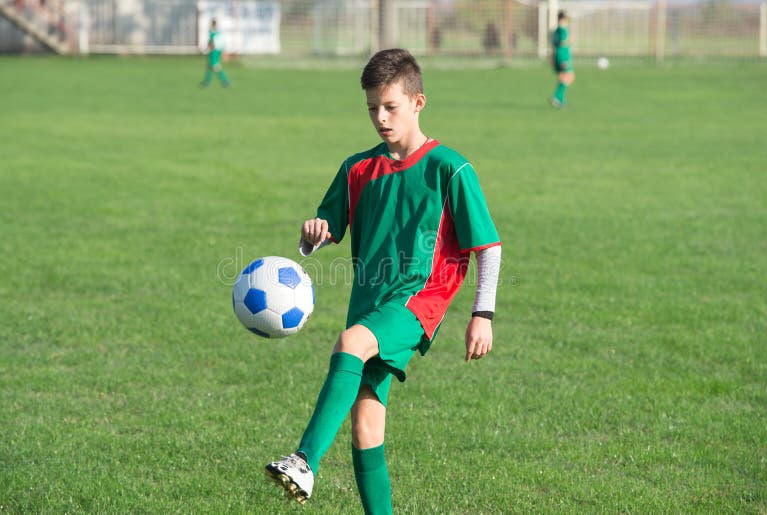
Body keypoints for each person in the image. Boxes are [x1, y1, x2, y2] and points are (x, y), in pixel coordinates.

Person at [264, 48, 502, 513]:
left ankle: (304, 459)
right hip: (369, 302)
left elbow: (488, 247)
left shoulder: (449, 168)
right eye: (372, 106)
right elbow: (327, 227)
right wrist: (314, 234)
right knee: (366, 426)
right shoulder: (358, 168)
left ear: (418, 103)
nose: (380, 117)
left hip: (416, 302)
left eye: (390, 106)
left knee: (350, 342)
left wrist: (483, 314)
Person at [550, 11, 575, 108]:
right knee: (570, 76)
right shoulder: (563, 31)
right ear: (562, 19)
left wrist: (552, 58)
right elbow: (563, 42)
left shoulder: (556, 31)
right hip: (563, 56)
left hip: (557, 55)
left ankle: (560, 100)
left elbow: (553, 45)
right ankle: (556, 96)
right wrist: (569, 41)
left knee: (562, 77)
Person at [200, 19, 230, 88]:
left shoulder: (212, 32)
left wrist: (206, 50)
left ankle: (225, 81)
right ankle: (206, 82)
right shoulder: (218, 32)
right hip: (218, 50)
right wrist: (223, 51)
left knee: (215, 66)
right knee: (210, 67)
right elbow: (222, 42)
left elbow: (211, 43)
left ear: (212, 24)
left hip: (214, 51)